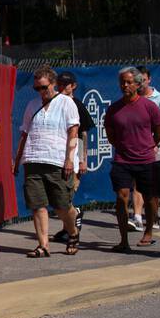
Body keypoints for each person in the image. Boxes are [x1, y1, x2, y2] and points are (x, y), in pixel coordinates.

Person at [12, 67, 80, 257]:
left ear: (53, 84)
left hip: (57, 160)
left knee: (62, 206)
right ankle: (43, 245)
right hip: (33, 159)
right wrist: (17, 160)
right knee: (37, 204)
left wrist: (69, 159)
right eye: (36, 89)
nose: (40, 92)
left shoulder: (67, 103)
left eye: (43, 87)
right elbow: (24, 134)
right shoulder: (32, 105)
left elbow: (73, 132)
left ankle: (73, 232)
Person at [103, 67, 160, 251]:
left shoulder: (149, 106)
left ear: (138, 84)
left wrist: (149, 146)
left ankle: (148, 231)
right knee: (122, 197)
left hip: (146, 159)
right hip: (122, 160)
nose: (125, 85)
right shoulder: (114, 109)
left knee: (151, 198)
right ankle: (124, 240)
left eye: (129, 82)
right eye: (122, 82)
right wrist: (123, 148)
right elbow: (111, 135)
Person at [52, 72, 93, 245]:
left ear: (73, 86)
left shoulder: (77, 104)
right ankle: (67, 228)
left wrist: (83, 160)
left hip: (74, 159)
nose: (63, 86)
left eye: (66, 84)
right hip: (57, 157)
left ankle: (72, 227)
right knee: (62, 197)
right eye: (60, 83)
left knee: (67, 196)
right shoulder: (54, 103)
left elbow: (82, 134)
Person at [131, 67, 160, 236]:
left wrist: (156, 144)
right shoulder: (131, 99)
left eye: (143, 79)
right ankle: (137, 217)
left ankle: (153, 216)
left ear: (149, 79)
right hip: (137, 149)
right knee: (137, 182)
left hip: (156, 149)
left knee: (152, 184)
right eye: (138, 80)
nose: (141, 83)